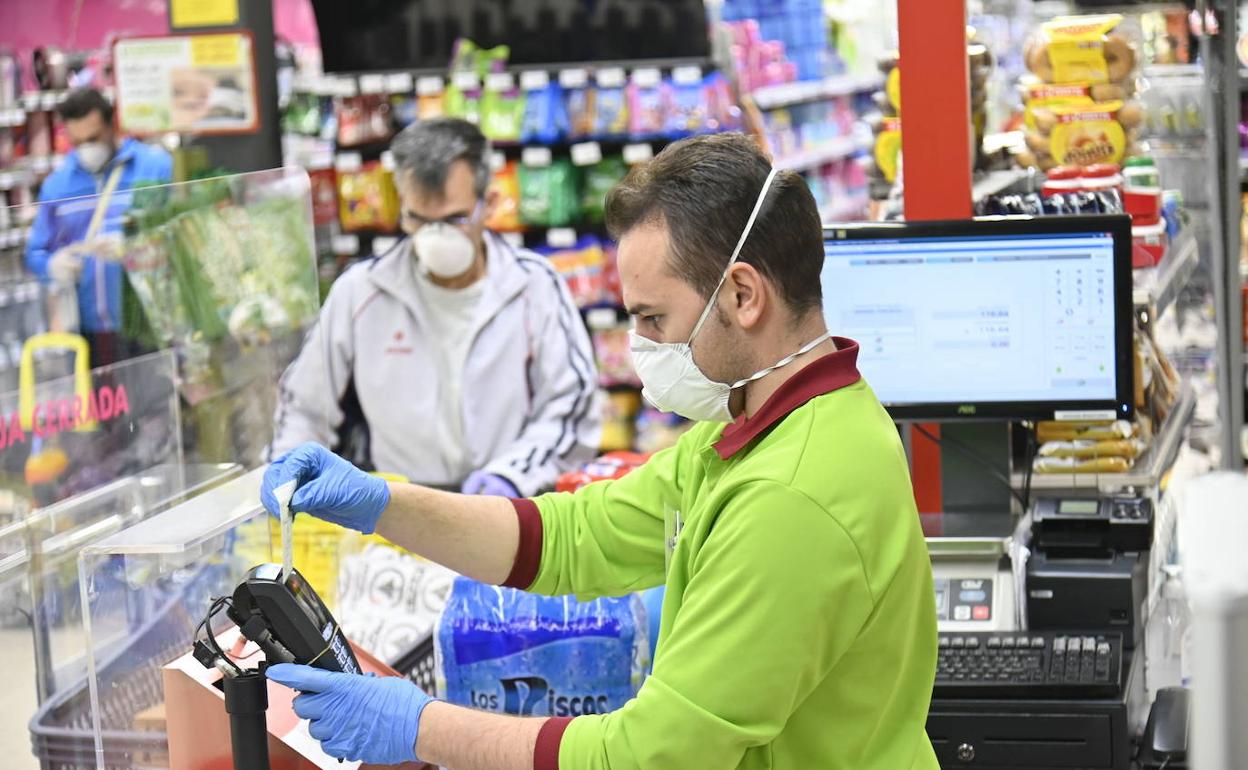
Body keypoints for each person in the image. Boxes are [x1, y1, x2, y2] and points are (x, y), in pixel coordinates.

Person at [261, 133, 939, 770]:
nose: (641, 346)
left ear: (742, 294)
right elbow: (575, 537)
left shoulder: (792, 494)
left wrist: (421, 727)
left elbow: (652, 754)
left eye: (653, 318)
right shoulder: (753, 424)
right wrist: (382, 504)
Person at [269, 117, 600, 497]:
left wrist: (509, 477)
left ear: (488, 204)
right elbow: (305, 406)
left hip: (511, 504)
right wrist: (288, 473)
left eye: (454, 219)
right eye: (418, 219)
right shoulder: (361, 292)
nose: (435, 236)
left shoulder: (534, 285)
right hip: (399, 509)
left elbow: (572, 405)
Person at [25, 88, 173, 365]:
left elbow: (179, 230)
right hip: (90, 331)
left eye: (93, 138)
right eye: (77, 142)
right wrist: (53, 267)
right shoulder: (58, 186)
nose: (86, 149)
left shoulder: (155, 167)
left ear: (112, 125)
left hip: (151, 323)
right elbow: (35, 252)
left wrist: (135, 245)